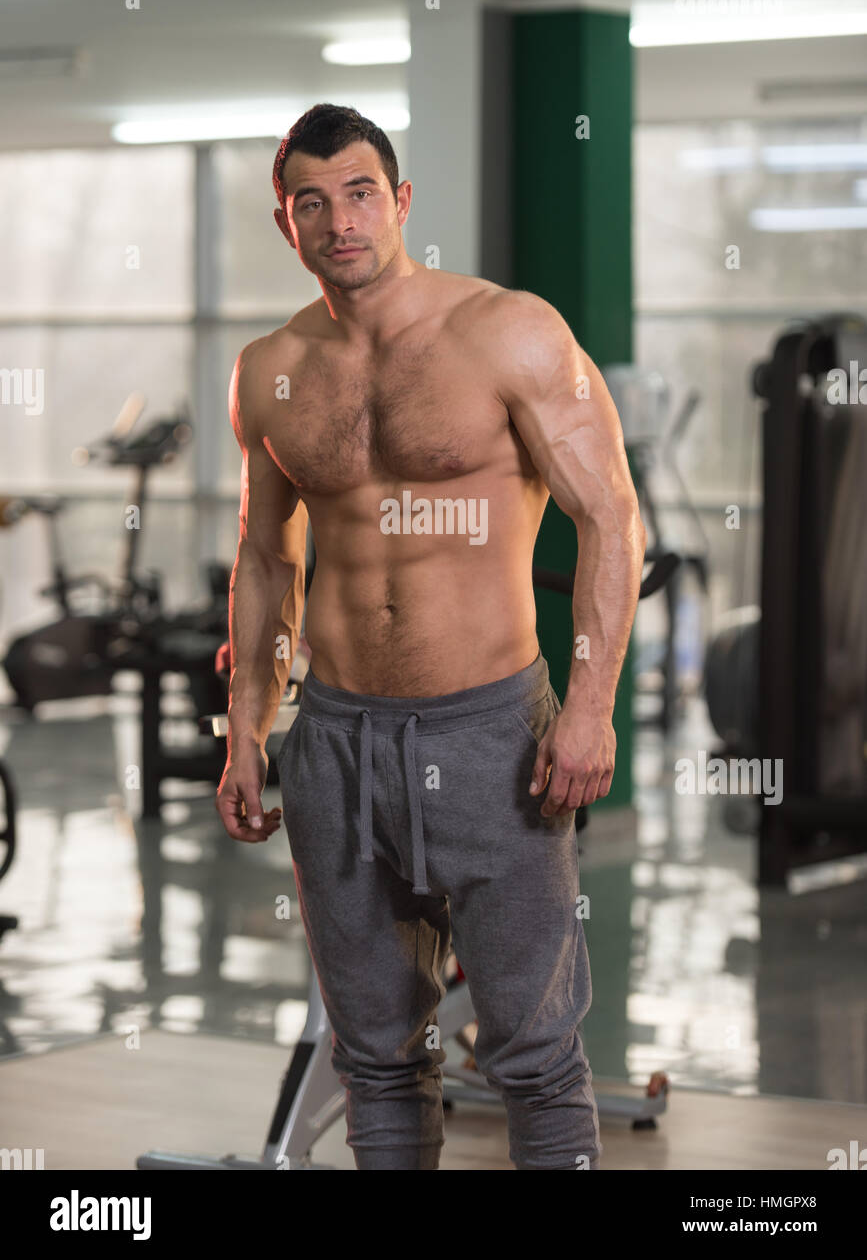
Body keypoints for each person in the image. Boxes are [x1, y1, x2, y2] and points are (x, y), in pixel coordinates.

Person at [216, 103, 646, 1170]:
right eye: (310, 203)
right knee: (375, 1055)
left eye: (359, 193)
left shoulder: (511, 331)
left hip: (490, 730)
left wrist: (588, 707)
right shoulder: (270, 370)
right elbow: (268, 557)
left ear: (401, 202)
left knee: (534, 1052)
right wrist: (245, 725)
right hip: (338, 740)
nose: (338, 221)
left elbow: (611, 519)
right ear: (287, 225)